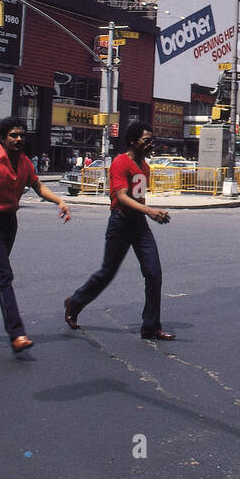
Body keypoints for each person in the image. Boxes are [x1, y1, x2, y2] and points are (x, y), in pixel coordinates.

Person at [0, 116, 70, 353]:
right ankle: (16, 333)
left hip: (10, 223)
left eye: (21, 135)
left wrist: (59, 200)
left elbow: (38, 187)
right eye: (13, 135)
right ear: (2, 138)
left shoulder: (25, 162)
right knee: (4, 275)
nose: (19, 139)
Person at [63, 122, 175, 341]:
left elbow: (138, 196)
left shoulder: (145, 167)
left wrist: (146, 213)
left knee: (154, 273)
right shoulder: (120, 163)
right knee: (107, 272)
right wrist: (150, 211)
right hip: (120, 222)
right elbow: (121, 197)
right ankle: (74, 303)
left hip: (139, 224)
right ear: (133, 141)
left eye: (152, 141)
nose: (150, 145)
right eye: (146, 141)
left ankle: (150, 326)